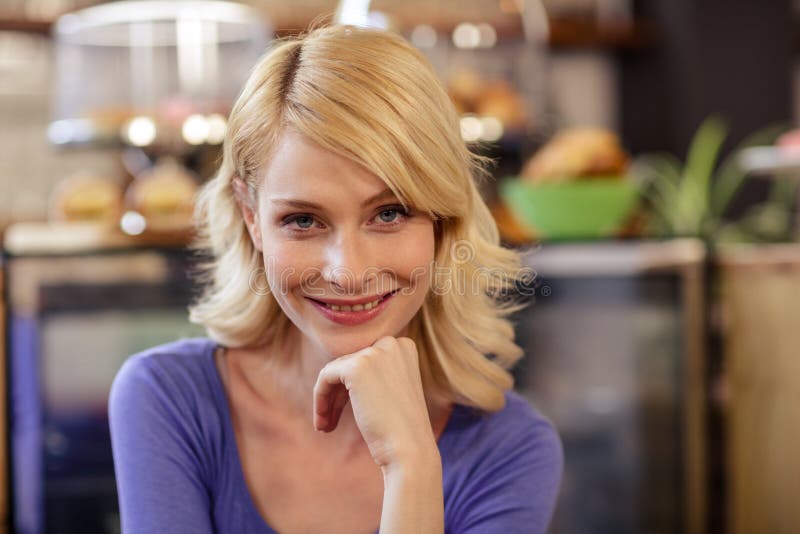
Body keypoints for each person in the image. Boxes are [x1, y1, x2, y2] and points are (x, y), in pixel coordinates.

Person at [109, 24, 563, 534]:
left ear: (442, 219)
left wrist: (410, 467)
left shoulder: (510, 449)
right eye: (303, 220)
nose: (348, 272)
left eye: (389, 213)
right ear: (251, 217)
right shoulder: (169, 400)